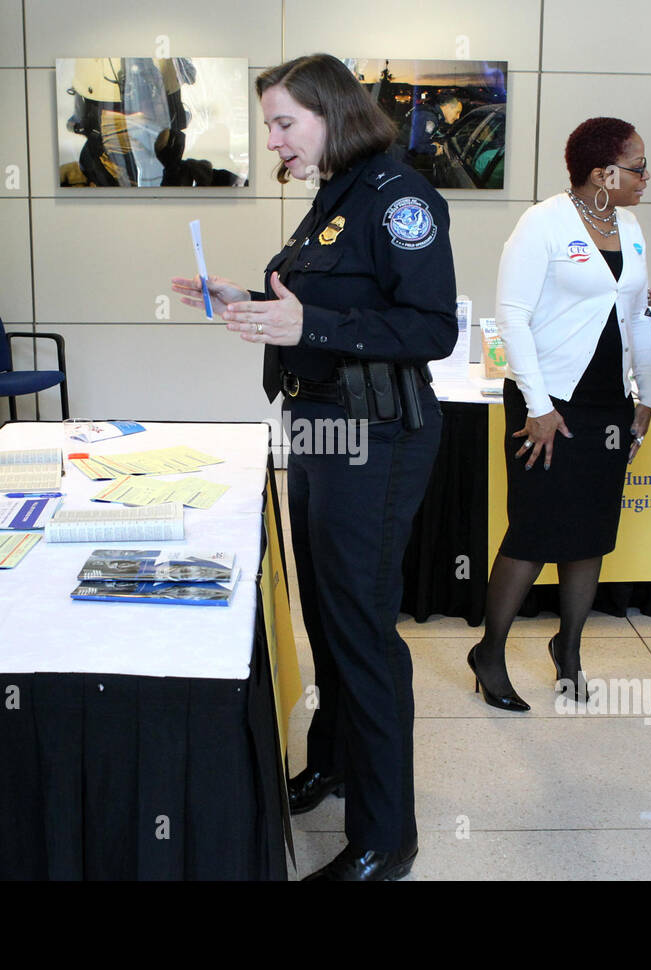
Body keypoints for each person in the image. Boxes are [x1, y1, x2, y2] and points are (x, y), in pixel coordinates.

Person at [171, 53, 457, 881]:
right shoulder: (332, 201)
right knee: (328, 615)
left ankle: (385, 834)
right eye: (270, 125)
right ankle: (334, 759)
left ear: (333, 113)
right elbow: (317, 309)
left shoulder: (400, 199)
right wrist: (245, 302)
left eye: (284, 123)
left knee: (361, 627)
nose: (274, 141)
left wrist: (311, 326)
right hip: (321, 428)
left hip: (376, 437)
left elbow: (431, 328)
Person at [470, 117, 651, 711]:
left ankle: (568, 648)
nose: (645, 177)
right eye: (637, 166)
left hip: (607, 401)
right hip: (547, 402)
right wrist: (539, 405)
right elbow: (513, 317)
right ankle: (490, 653)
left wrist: (646, 396)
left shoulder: (628, 226)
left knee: (591, 536)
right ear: (603, 172)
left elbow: (636, 317)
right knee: (532, 532)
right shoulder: (542, 223)